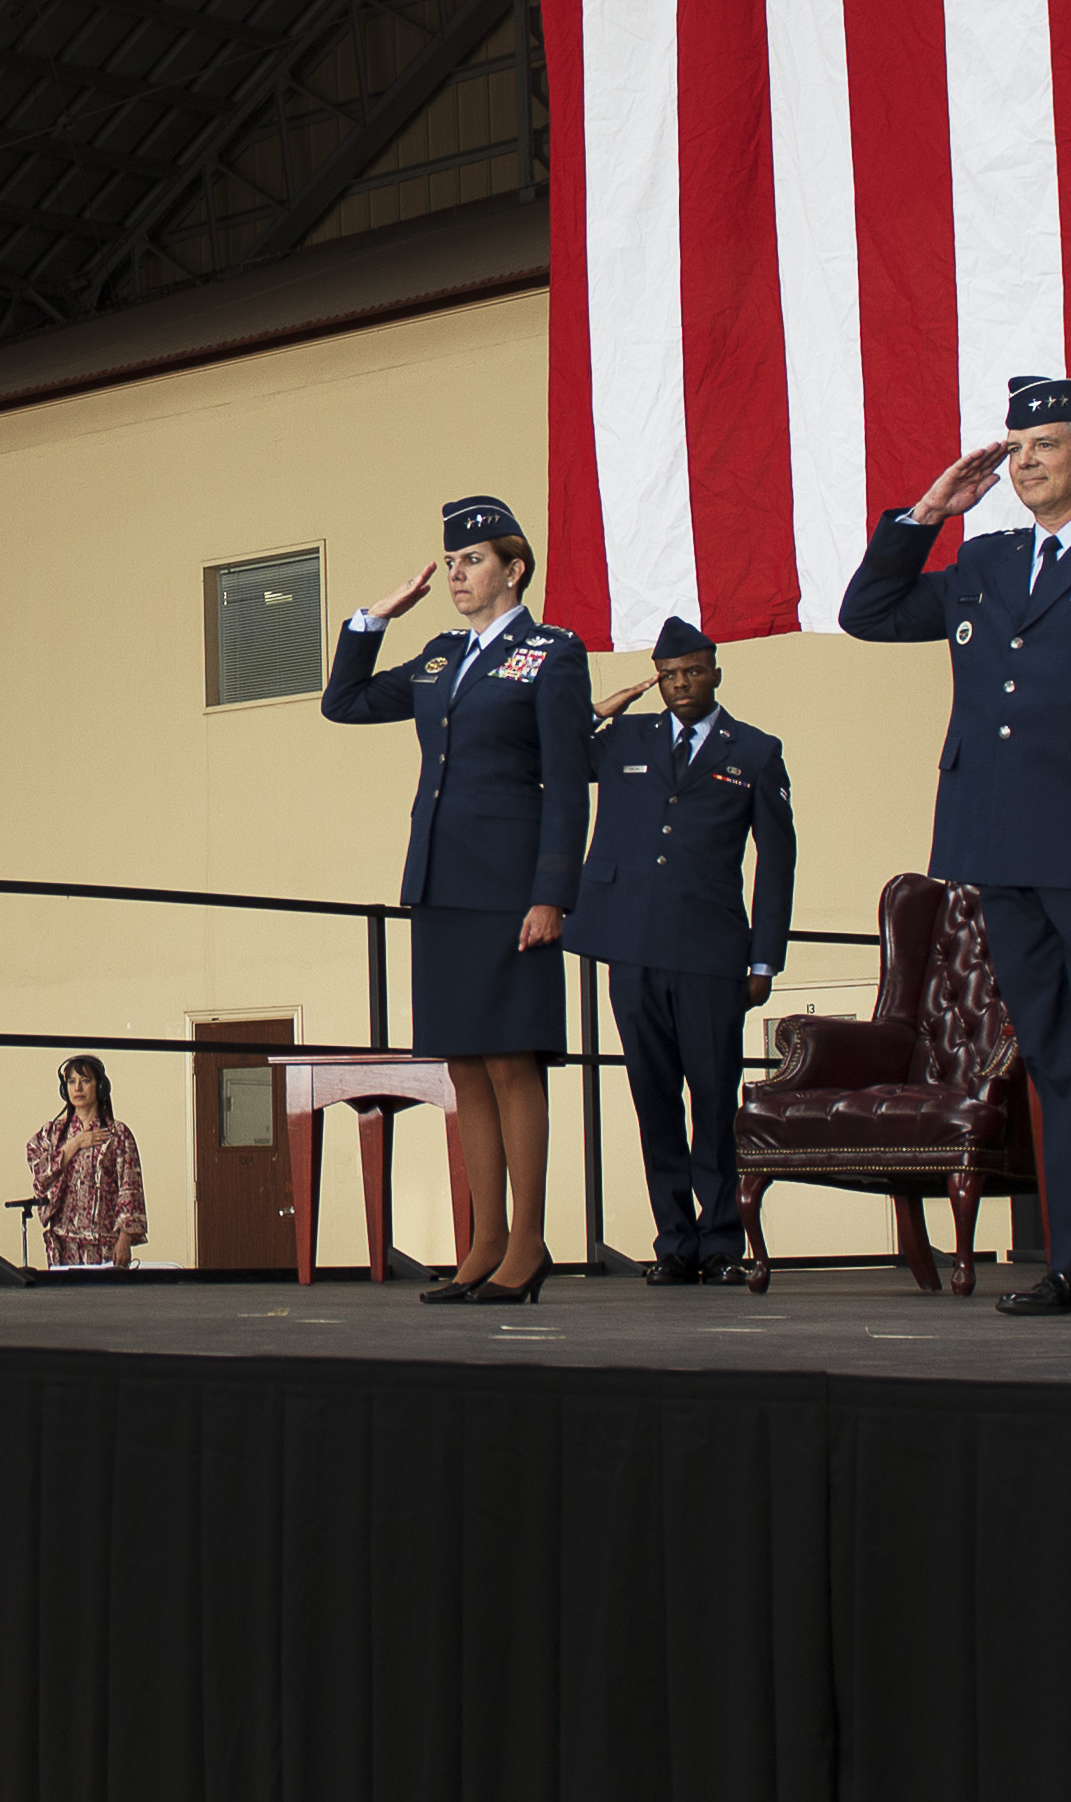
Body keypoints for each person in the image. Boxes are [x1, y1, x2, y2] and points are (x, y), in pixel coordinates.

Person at [836, 384, 1071, 1313]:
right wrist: (929, 514)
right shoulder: (987, 560)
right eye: (1015, 449)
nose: (1026, 462)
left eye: (1045, 444)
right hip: (999, 838)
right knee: (1049, 1051)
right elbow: (869, 611)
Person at [320, 494, 591, 1302]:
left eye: (473, 561)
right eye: (451, 563)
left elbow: (570, 786)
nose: (457, 574)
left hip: (510, 884)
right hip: (441, 879)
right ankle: (485, 1239)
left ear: (513, 569)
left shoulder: (551, 653)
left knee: (512, 1059)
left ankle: (530, 1240)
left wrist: (553, 891)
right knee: (464, 1066)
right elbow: (345, 701)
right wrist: (374, 618)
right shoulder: (439, 656)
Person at [573, 622, 800, 1288]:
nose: (680, 685)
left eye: (693, 672)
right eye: (669, 675)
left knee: (712, 1097)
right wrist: (600, 706)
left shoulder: (754, 750)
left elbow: (777, 860)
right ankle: (674, 1239)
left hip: (709, 950)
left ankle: (722, 1240)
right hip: (632, 946)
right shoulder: (625, 740)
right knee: (652, 1098)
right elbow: (554, 750)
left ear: (715, 672)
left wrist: (764, 958)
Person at [26, 1059, 143, 1273]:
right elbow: (40, 1175)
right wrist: (75, 1144)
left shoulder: (118, 1134)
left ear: (99, 1086)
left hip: (104, 1246)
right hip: (63, 1246)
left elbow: (130, 1190)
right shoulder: (54, 1132)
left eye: (85, 1080)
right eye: (71, 1082)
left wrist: (125, 1239)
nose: (77, 1088)